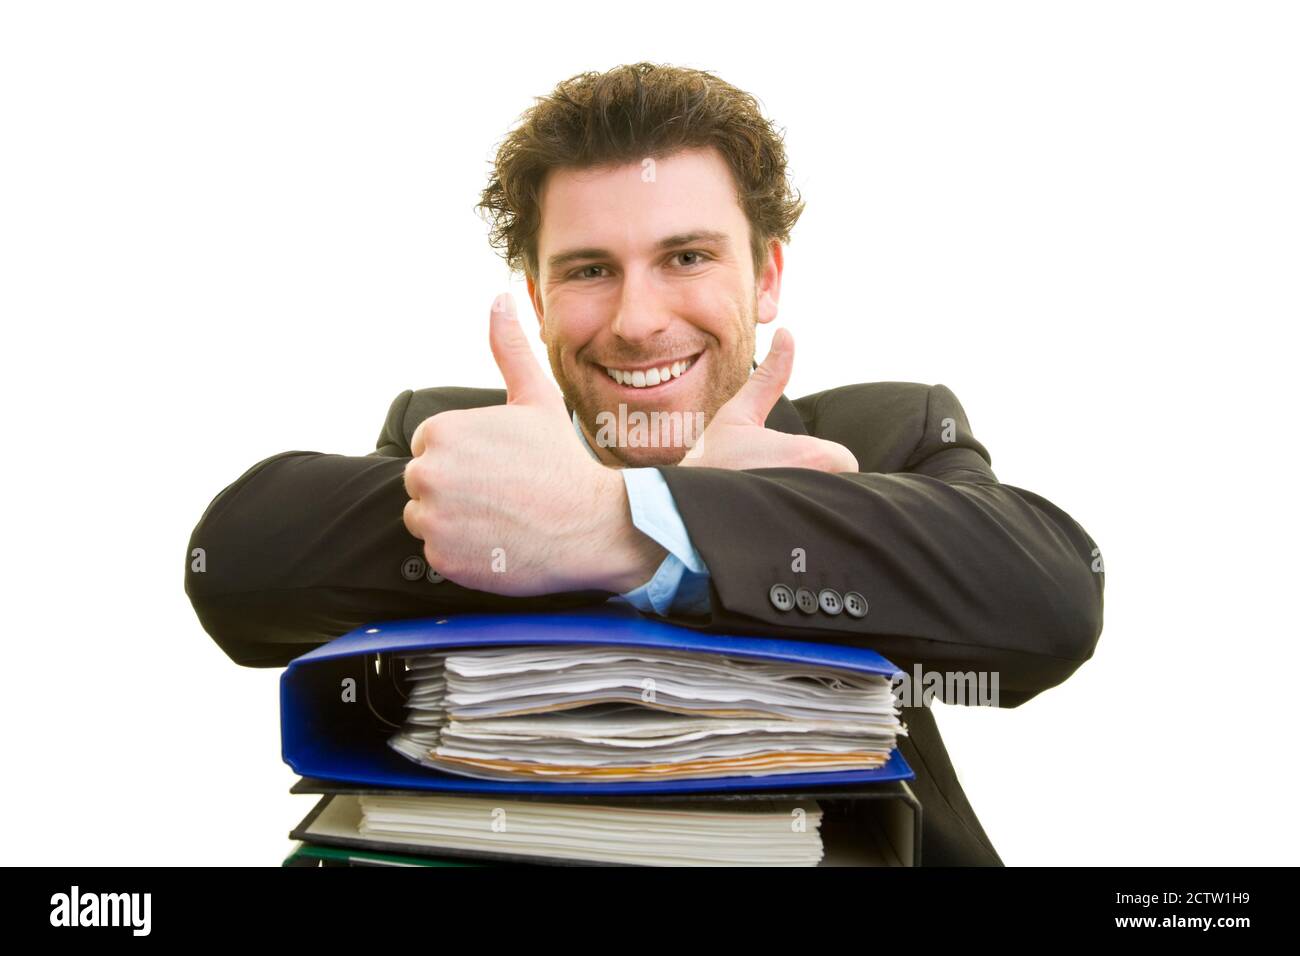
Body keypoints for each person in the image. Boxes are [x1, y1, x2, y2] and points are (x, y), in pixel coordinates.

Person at [185, 62, 1105, 866]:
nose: (636, 320)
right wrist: (550, 515)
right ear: (539, 300)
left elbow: (1052, 602)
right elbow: (239, 567)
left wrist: (632, 522)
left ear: (767, 275)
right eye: (588, 270)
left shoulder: (882, 431)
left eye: (688, 256)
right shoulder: (451, 436)